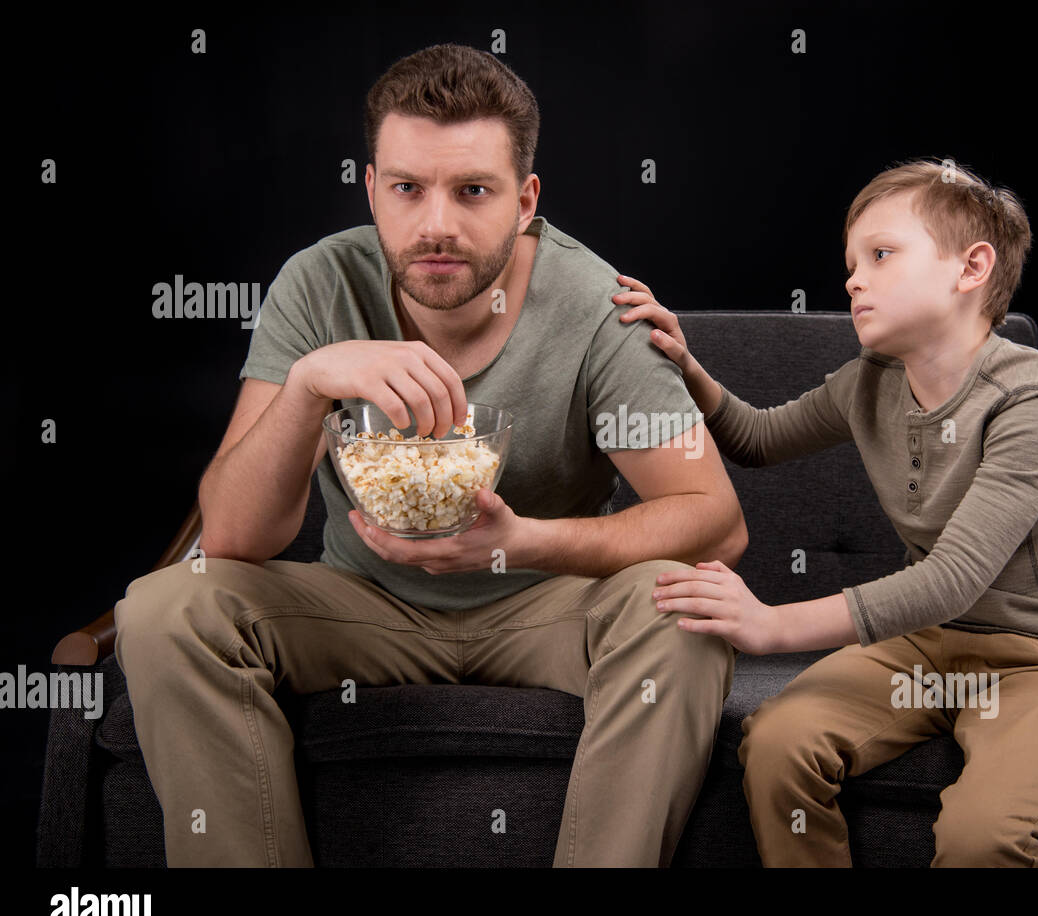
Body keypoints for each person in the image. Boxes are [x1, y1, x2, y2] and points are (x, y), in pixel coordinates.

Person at [112, 43, 747, 868]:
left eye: (472, 191)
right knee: (166, 606)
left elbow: (716, 522)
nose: (436, 224)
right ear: (373, 189)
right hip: (361, 607)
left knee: (688, 611)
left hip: (550, 610)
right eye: (408, 189)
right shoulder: (317, 283)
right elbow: (233, 536)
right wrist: (308, 385)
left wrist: (521, 542)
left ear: (525, 201)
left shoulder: (596, 305)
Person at [617, 158, 1038, 866]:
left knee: (981, 838)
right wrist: (686, 367)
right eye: (851, 262)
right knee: (775, 744)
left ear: (971, 267)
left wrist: (771, 624)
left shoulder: (1034, 402)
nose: (854, 278)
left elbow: (954, 577)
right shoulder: (874, 379)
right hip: (929, 642)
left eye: (882, 255)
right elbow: (758, 438)